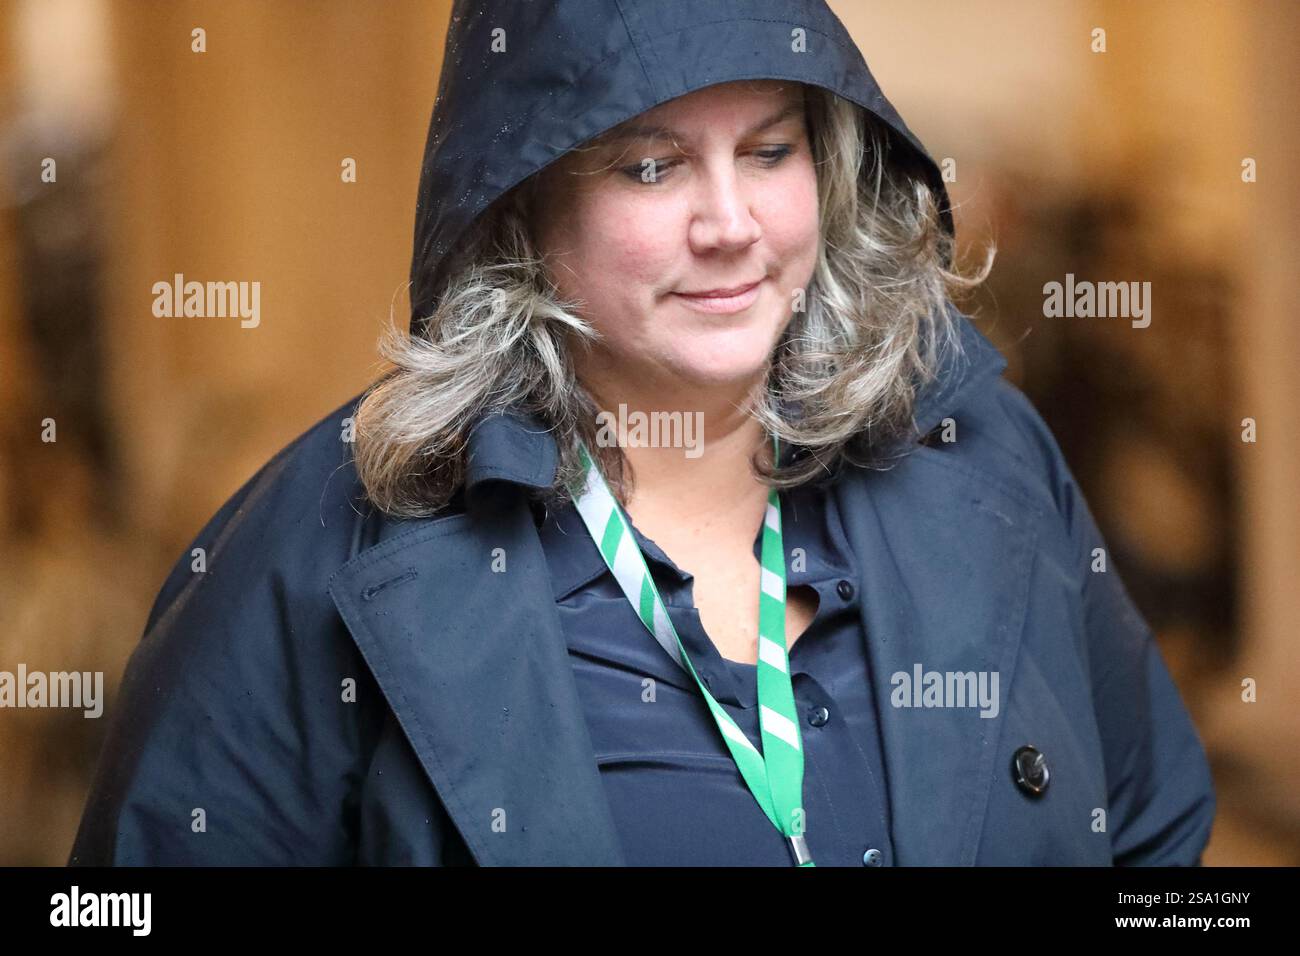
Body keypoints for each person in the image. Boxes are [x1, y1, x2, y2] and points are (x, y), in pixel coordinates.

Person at [69, 0, 1215, 866]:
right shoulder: (322, 548)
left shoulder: (984, 451)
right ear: (520, 202)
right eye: (652, 164)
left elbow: (1155, 827)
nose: (730, 224)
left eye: (769, 151)